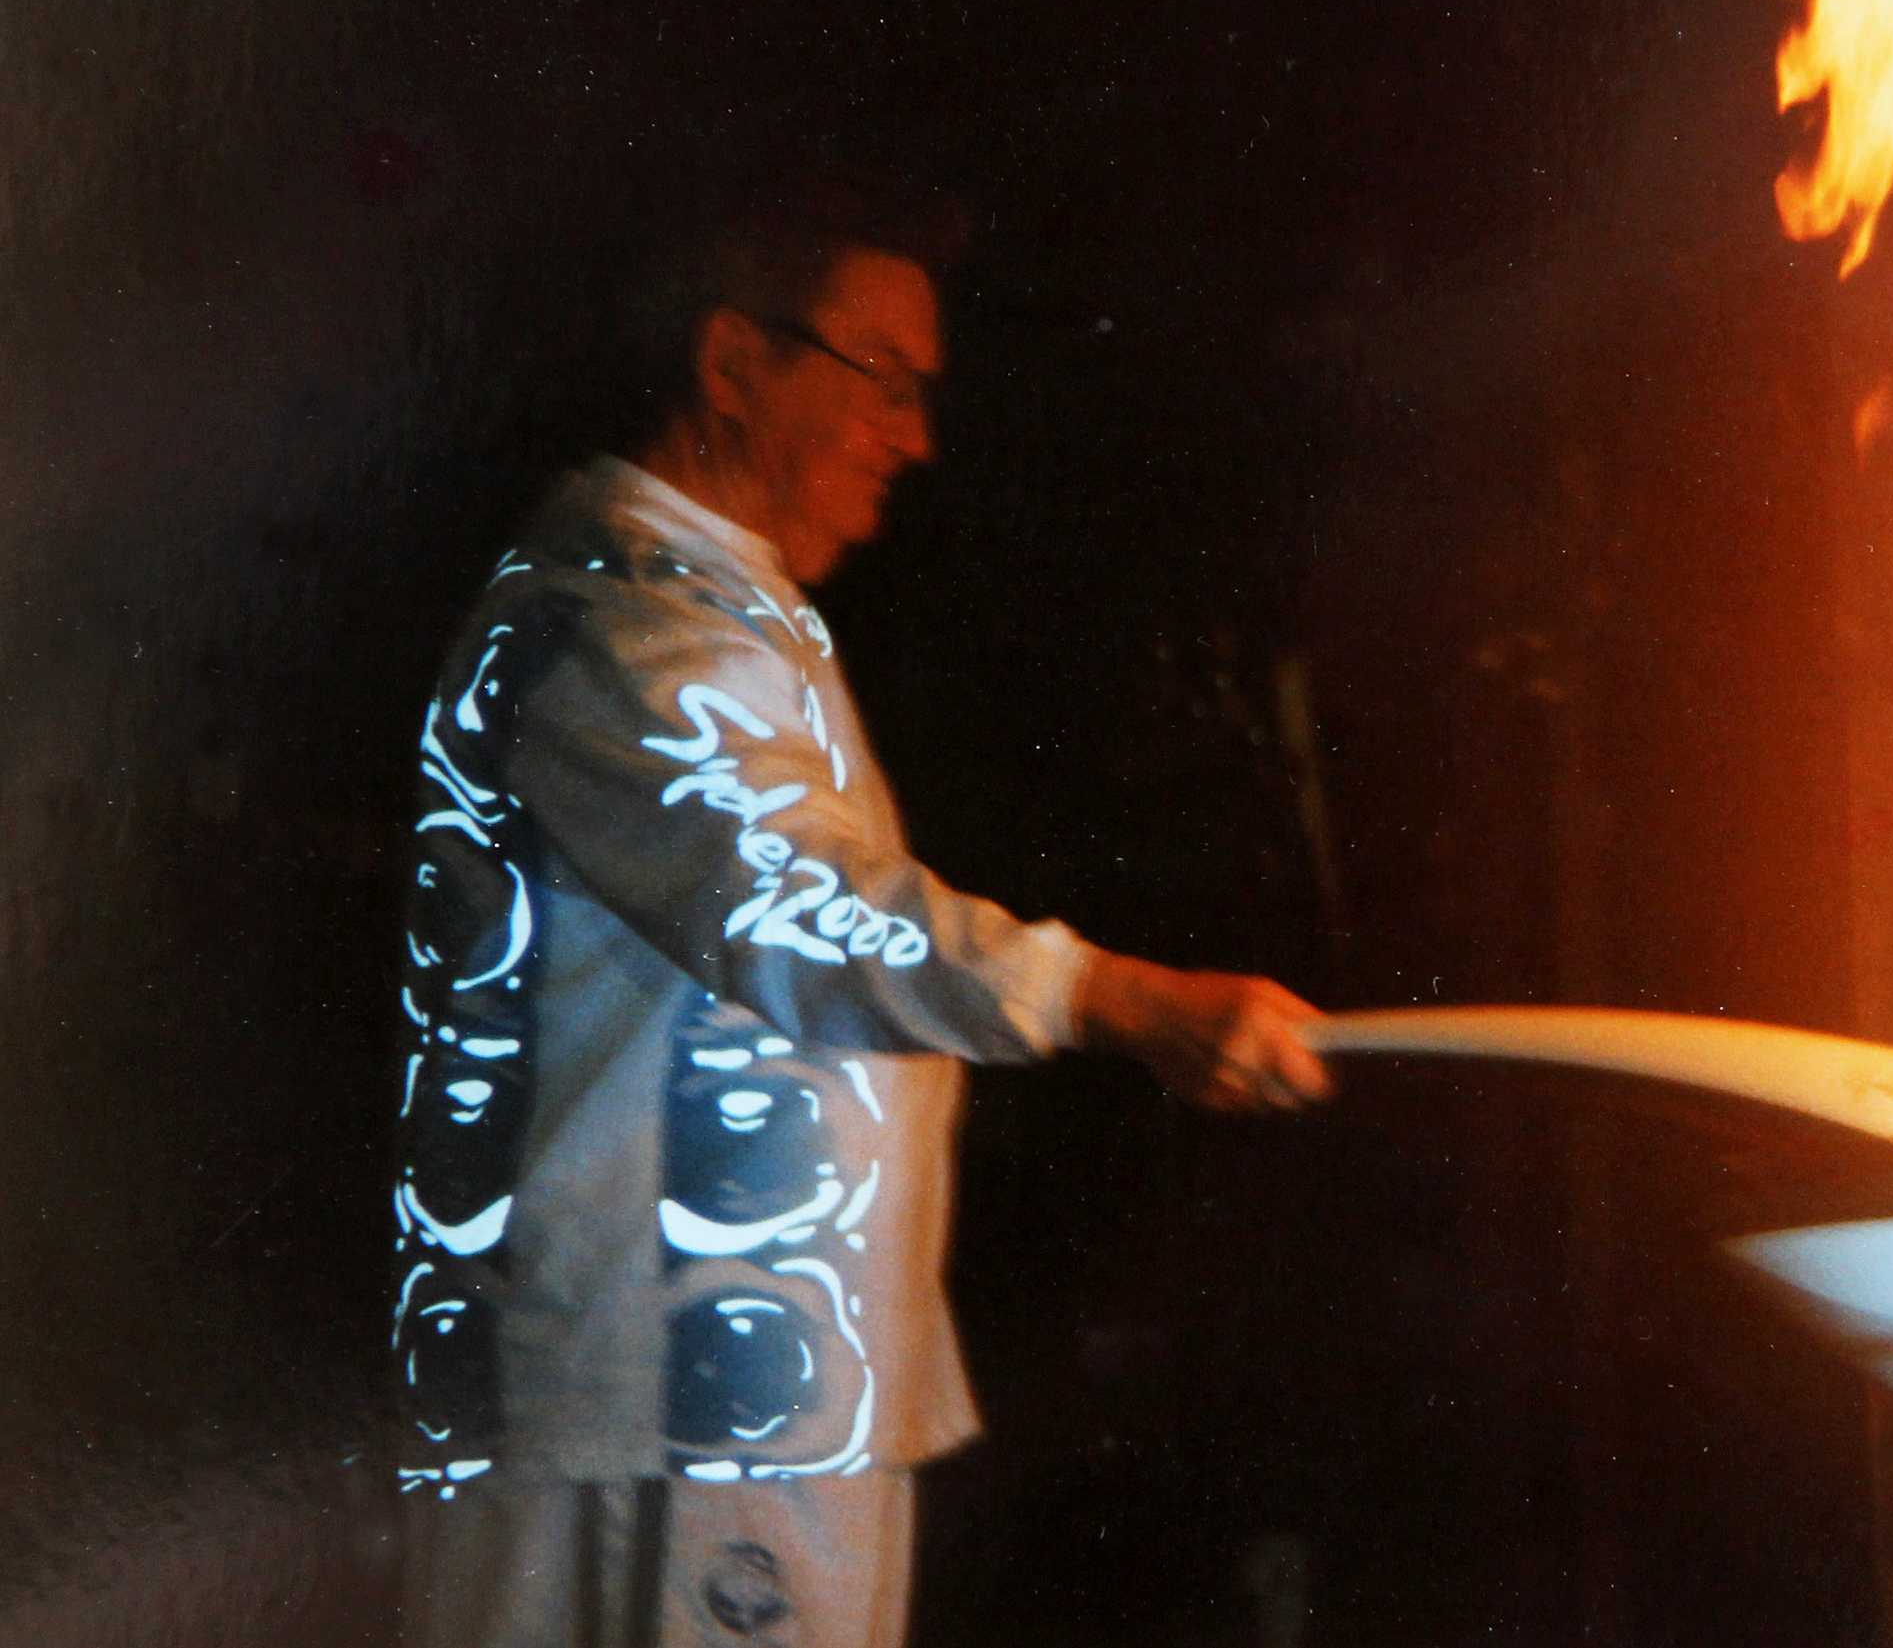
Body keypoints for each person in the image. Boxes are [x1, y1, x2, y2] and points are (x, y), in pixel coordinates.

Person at [390, 185, 1332, 1648]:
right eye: (882, 379)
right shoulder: (625, 619)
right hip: (689, 1401)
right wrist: (1125, 999)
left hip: (732, 1393)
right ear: (729, 363)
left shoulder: (710, 607)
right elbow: (805, 909)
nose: (916, 437)